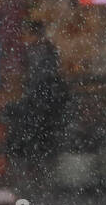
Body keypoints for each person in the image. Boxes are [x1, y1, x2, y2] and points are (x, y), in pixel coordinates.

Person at [7, 20, 67, 168]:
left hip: (39, 98)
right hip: (45, 99)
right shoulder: (47, 49)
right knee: (43, 133)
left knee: (36, 132)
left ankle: (36, 163)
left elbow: (38, 76)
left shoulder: (37, 51)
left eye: (28, 34)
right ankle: (42, 163)